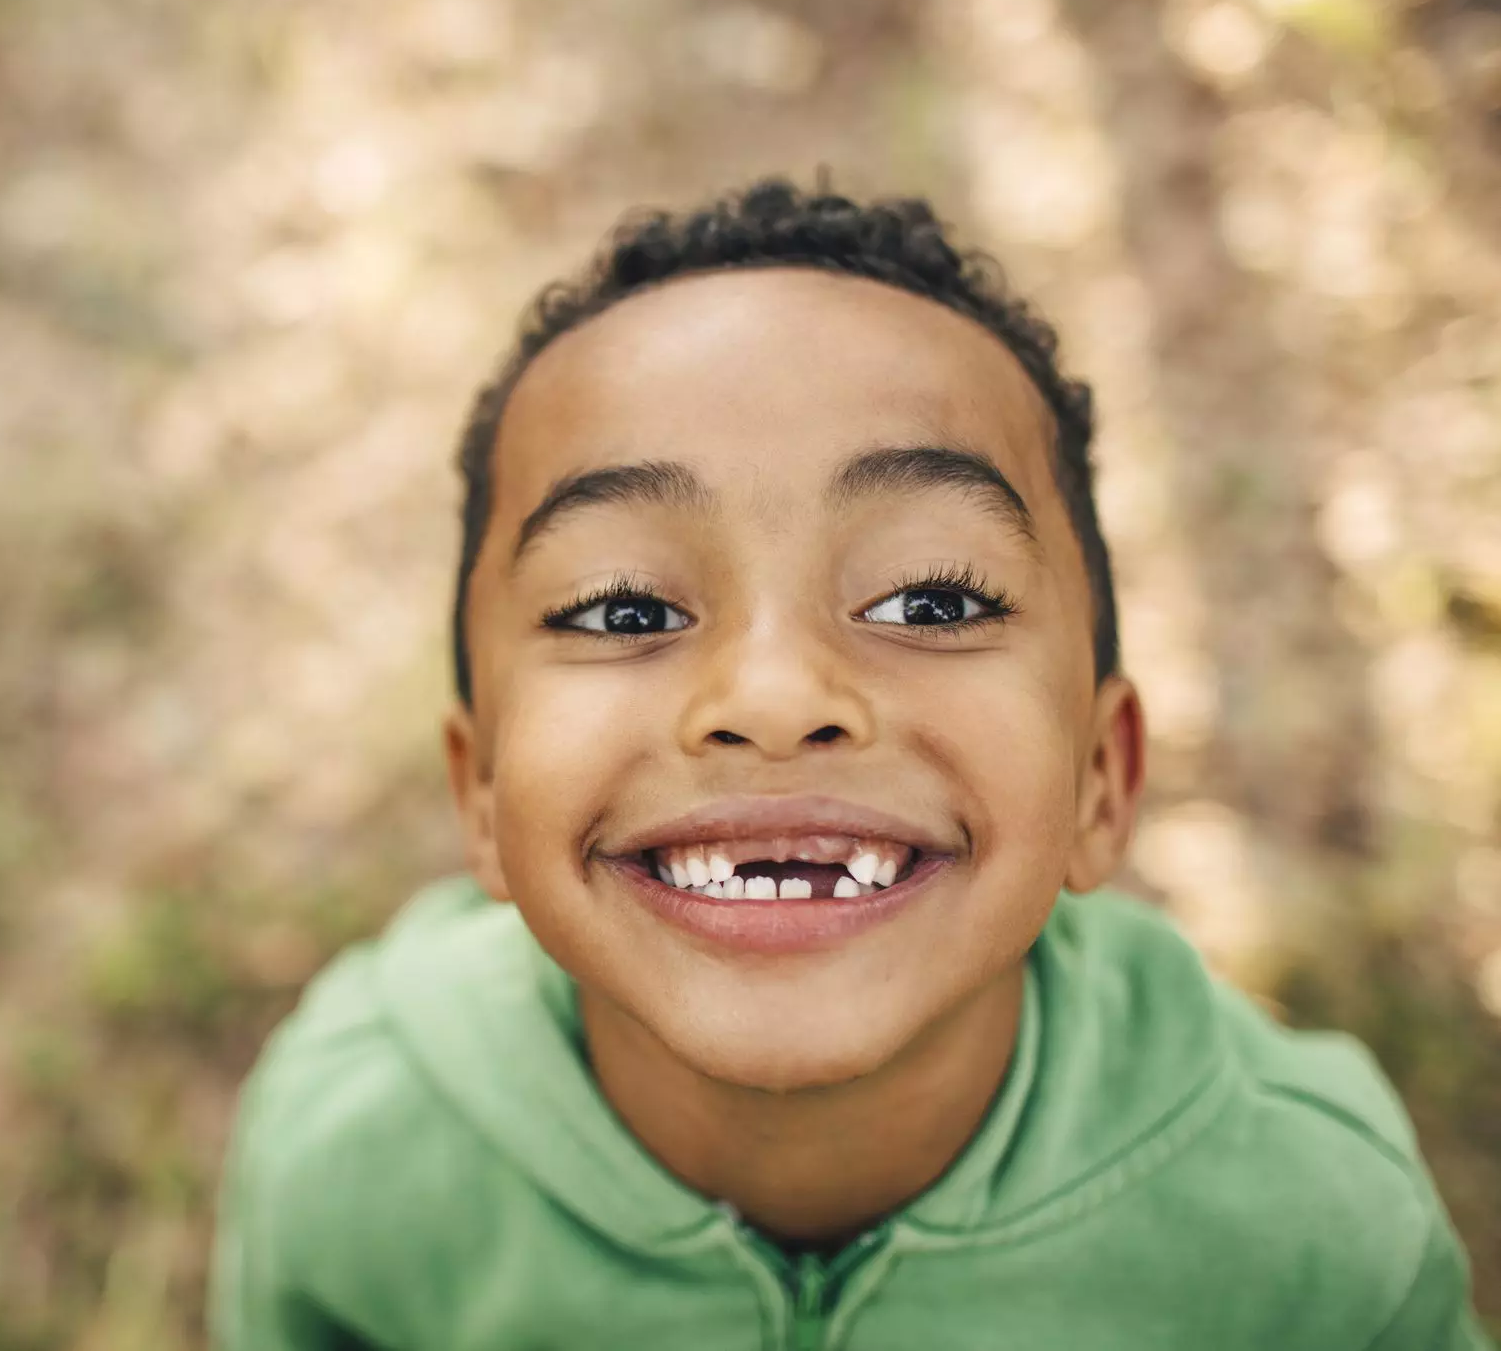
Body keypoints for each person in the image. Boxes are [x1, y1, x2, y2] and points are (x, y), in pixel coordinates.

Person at [208, 179, 1493, 1349]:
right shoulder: (350, 1149)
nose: (774, 698)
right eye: (623, 610)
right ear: (479, 793)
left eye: (931, 600)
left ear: (1102, 778)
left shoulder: (1313, 1236)